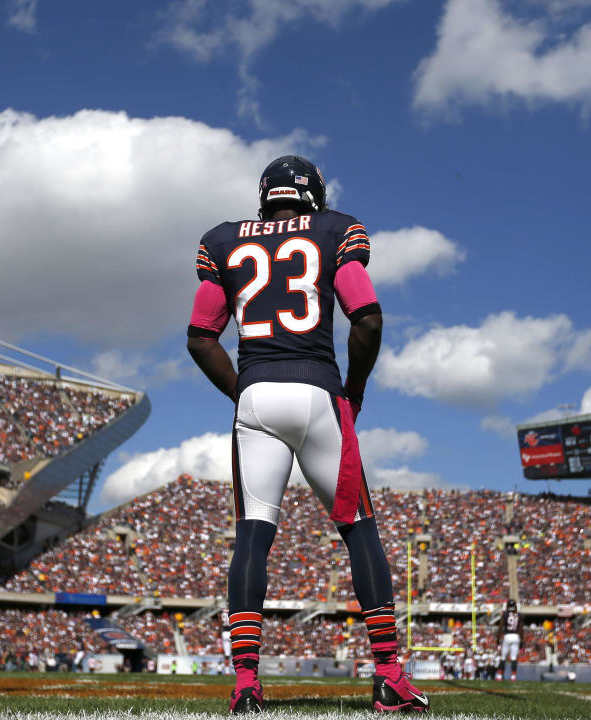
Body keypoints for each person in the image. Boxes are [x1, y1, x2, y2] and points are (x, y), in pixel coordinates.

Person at [187, 155, 427, 714]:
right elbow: (366, 314)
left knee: (252, 536)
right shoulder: (334, 229)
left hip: (256, 394)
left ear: (265, 195)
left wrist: (246, 392)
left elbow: (201, 336)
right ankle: (390, 675)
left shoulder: (224, 241)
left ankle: (246, 684)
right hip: (319, 391)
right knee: (360, 531)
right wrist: (354, 391)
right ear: (313, 193)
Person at [498, 599, 522, 681]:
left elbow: (501, 626)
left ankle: (500, 675)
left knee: (503, 657)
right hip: (516, 636)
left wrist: (498, 638)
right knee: (514, 657)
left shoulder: (505, 614)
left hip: (507, 635)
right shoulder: (519, 615)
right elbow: (521, 628)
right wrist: (521, 639)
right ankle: (513, 676)